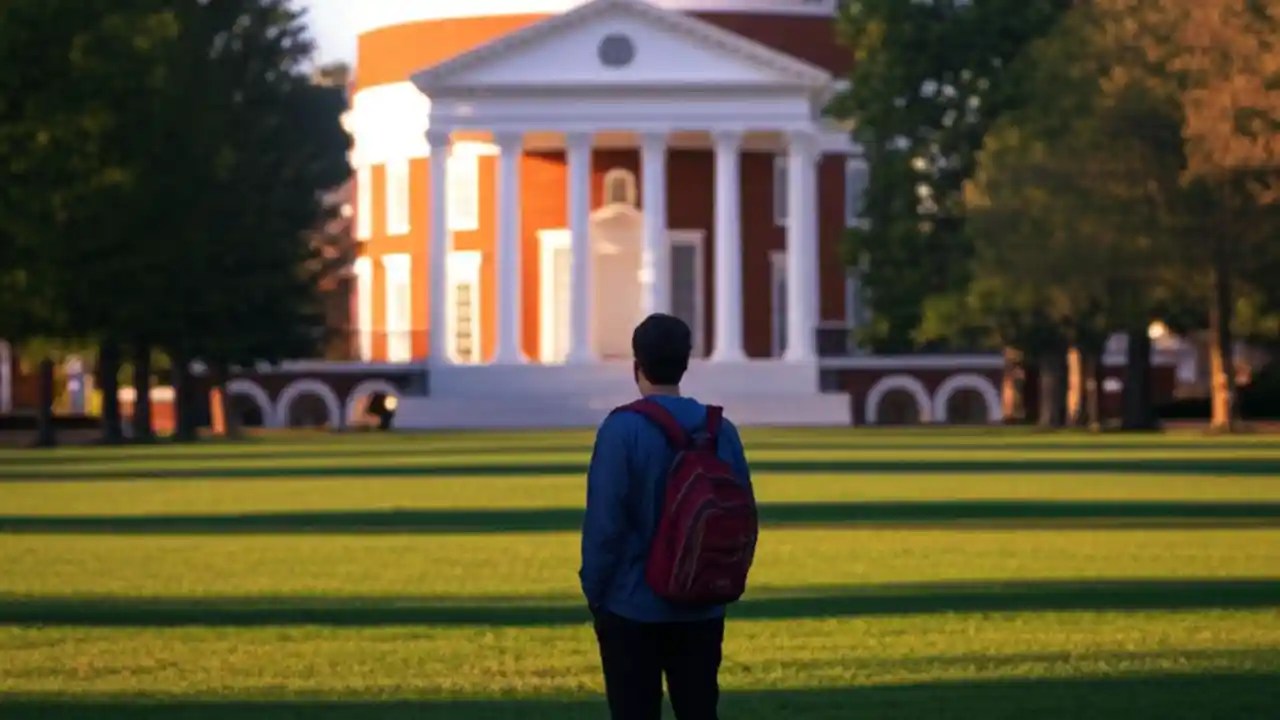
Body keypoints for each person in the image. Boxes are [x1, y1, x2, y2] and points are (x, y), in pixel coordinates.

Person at [580, 313, 754, 720]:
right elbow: (743, 514)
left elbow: (605, 526)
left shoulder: (621, 430)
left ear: (636, 366)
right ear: (686, 363)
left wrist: (596, 593)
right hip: (702, 602)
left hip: (631, 605)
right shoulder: (721, 430)